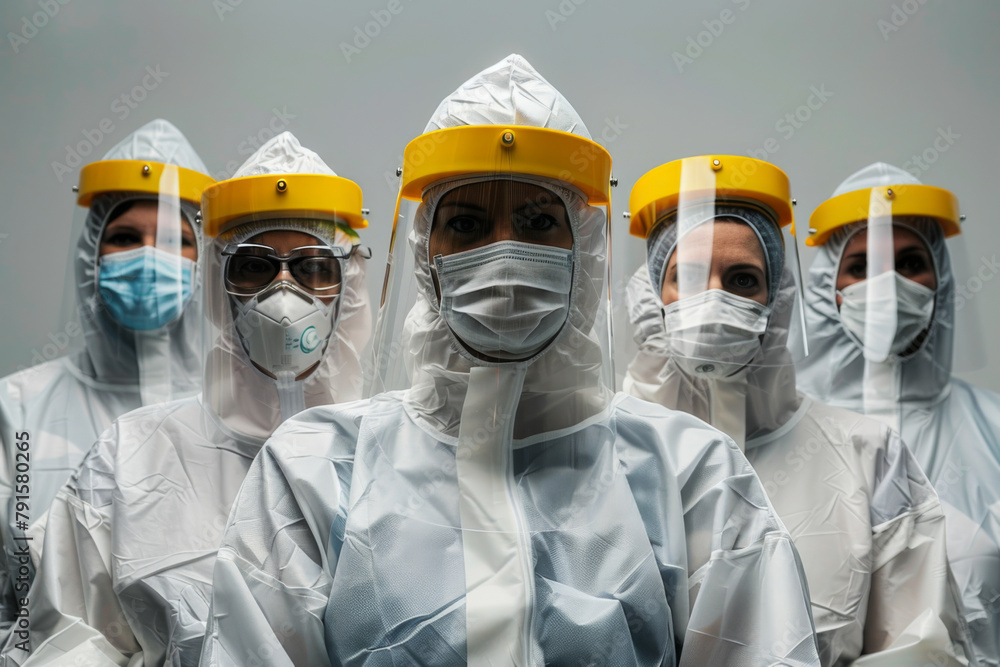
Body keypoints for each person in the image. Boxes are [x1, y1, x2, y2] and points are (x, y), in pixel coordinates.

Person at [200, 54, 820, 667]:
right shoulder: (314, 466)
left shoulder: (692, 471)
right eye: (467, 223)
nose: (504, 252)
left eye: (537, 221)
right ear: (424, 254)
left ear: (586, 248)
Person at [1, 132, 372, 665]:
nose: (285, 294)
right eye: (254, 266)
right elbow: (56, 637)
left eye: (314, 266)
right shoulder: (123, 452)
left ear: (351, 282)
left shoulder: (392, 451)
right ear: (219, 282)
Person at [622, 155, 973, 665]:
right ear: (653, 295)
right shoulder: (598, 449)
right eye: (691, 277)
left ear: (777, 298)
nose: (716, 298)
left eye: (743, 279)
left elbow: (921, 647)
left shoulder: (868, 454)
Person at [0, 119, 213, 637]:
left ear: (204, 261)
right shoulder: (18, 409)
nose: (148, 258)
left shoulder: (236, 414)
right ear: (90, 255)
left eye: (172, 239)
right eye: (123, 237)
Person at [794, 162, 1000, 667]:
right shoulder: (783, 430)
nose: (887, 285)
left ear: (941, 280)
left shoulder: (994, 427)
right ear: (828, 287)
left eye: (909, 263)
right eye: (861, 267)